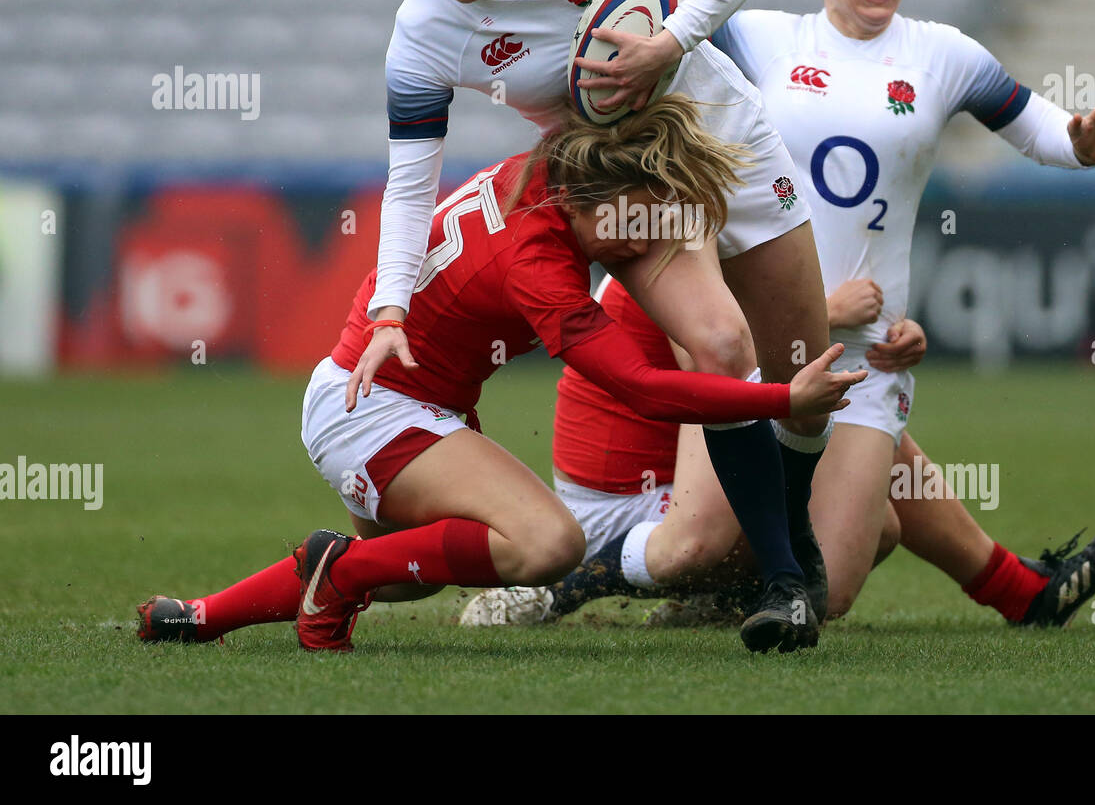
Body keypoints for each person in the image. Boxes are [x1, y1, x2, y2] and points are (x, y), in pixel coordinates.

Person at [461, 0, 1095, 629]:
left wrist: (1080, 145)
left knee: (843, 575)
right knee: (701, 541)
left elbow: (1038, 125)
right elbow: (642, 54)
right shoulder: (757, 37)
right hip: (754, 331)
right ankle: (567, 585)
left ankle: (1011, 592)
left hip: (862, 354)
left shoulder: (943, 55)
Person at [348, 0, 859, 651]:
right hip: (622, 181)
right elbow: (410, 183)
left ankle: (791, 551)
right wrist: (390, 310)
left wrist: (668, 43)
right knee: (725, 346)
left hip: (725, 141)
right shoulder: (423, 34)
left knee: (805, 377)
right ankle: (782, 581)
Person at [136, 101, 865, 652]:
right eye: (634, 225)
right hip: (377, 407)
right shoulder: (539, 268)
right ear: (588, 205)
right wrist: (782, 397)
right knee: (549, 545)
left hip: (373, 393)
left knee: (401, 571)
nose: (642, 244)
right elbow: (642, 386)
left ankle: (198, 618)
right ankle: (337, 580)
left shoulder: (559, 166)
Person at [462, 274, 1095, 630]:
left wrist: (888, 335)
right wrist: (826, 313)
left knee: (872, 507)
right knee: (838, 552)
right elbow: (716, 365)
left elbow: (780, 358)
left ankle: (1018, 589)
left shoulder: (733, 231)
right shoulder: (681, 244)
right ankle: (562, 590)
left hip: (671, 473)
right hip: (618, 507)